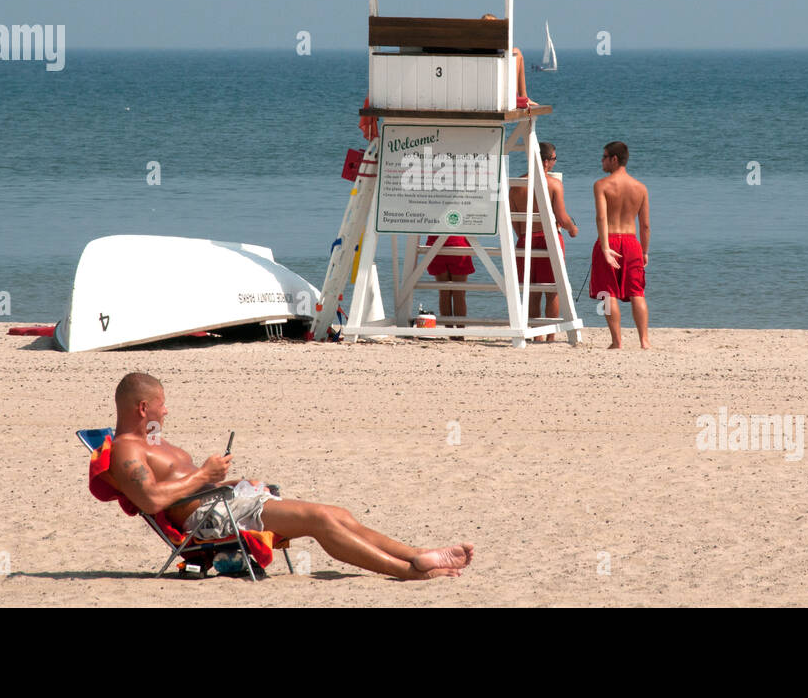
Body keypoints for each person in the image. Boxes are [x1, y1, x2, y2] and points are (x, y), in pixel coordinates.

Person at [104, 372, 473, 580]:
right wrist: (205, 473)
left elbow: (179, 484)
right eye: (162, 403)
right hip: (211, 520)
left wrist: (225, 481)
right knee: (320, 520)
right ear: (143, 407)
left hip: (226, 501)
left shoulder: (153, 442)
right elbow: (151, 499)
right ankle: (408, 571)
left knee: (337, 513)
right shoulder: (127, 450)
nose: (166, 410)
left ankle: (418, 554)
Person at [508, 141, 579, 341]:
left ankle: (535, 334)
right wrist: (573, 229)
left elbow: (514, 220)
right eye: (554, 159)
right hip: (548, 240)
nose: (555, 162)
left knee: (532, 290)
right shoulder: (554, 184)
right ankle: (548, 335)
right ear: (546, 161)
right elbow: (562, 218)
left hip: (525, 239)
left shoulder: (516, 185)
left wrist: (522, 235)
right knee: (552, 290)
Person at [590, 141, 651, 349]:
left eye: (604, 156)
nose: (601, 160)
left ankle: (617, 342)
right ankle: (644, 341)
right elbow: (645, 225)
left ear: (614, 159)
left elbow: (601, 218)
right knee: (637, 292)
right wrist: (644, 251)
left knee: (608, 293)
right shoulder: (640, 188)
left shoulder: (602, 185)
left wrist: (605, 248)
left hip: (610, 239)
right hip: (632, 242)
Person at [480, 13, 538, 109]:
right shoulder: (492, 44)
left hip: (485, 80)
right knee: (517, 52)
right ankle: (520, 96)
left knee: (515, 52)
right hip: (493, 80)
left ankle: (521, 96)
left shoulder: (477, 43)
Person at [425, 234, 473, 337]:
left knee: (444, 292)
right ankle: (460, 333)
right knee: (459, 293)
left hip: (435, 243)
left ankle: (449, 332)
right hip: (457, 241)